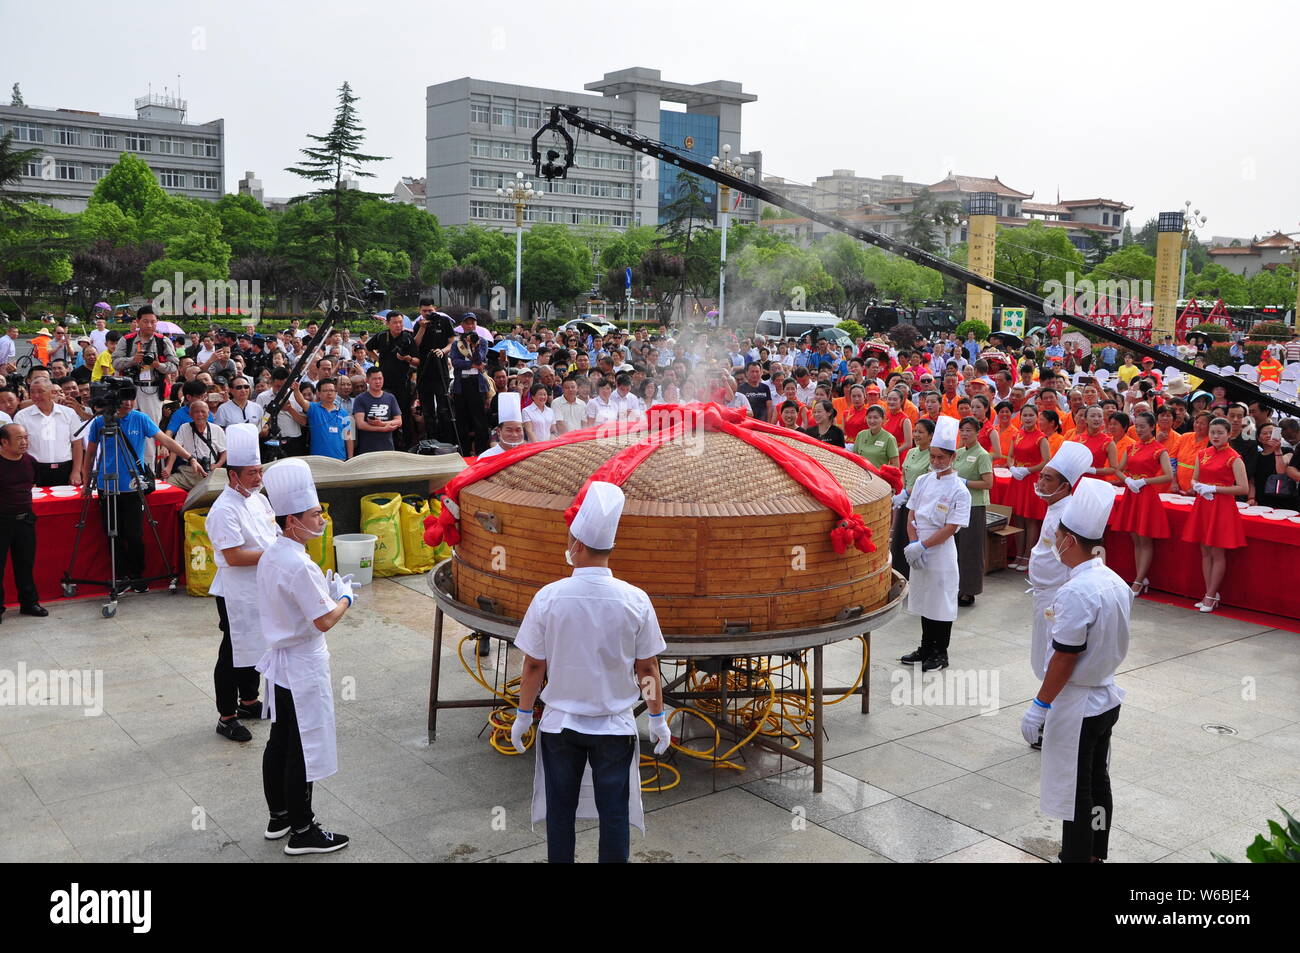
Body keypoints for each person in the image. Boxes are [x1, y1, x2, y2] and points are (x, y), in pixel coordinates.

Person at [510, 481, 669, 864]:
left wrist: (522, 714)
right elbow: (646, 667)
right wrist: (657, 717)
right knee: (614, 814)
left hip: (560, 726)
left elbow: (534, 665)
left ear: (576, 546)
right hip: (614, 727)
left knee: (559, 813)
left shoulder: (549, 596)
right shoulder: (635, 599)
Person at [1020, 477, 1129, 863]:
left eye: (1058, 538)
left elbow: (1065, 656)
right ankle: (1097, 853)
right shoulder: (1113, 581)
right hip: (1105, 697)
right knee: (1098, 780)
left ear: (1068, 540)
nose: (1055, 546)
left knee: (1076, 789)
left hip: (1080, 703)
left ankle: (1078, 857)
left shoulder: (1076, 591)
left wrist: (1040, 705)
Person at [256, 458, 355, 854]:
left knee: (280, 739)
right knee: (302, 743)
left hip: (282, 663)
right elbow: (324, 620)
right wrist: (345, 597)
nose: (322, 520)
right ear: (292, 520)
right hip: (301, 662)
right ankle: (303, 829)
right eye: (315, 514)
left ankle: (278, 815)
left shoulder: (272, 554)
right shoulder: (299, 564)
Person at [85, 393, 203, 592]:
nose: (128, 403)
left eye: (132, 398)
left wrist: (190, 458)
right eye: (124, 399)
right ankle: (120, 577)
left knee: (134, 534)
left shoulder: (140, 419)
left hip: (133, 487)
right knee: (113, 534)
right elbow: (90, 453)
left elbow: (165, 440)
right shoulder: (100, 422)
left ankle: (137, 576)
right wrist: (86, 482)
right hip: (107, 486)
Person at [205, 425, 276, 743]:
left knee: (257, 644)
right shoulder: (223, 509)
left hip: (261, 586)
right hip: (236, 591)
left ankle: (249, 701)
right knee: (233, 649)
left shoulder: (258, 500)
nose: (258, 478)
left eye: (260, 471)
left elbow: (273, 530)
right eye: (251, 473)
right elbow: (233, 556)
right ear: (233, 476)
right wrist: (276, 554)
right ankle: (226, 715)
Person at [1022, 441, 1092, 751]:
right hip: (1044, 593)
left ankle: (1050, 720)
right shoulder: (1055, 508)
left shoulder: (1068, 516)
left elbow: (1071, 560)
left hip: (1058, 596)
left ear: (1064, 486)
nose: (1039, 481)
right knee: (1045, 657)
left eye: (1047, 478)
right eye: (1041, 476)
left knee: (1055, 659)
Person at [900, 417, 969, 671]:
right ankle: (926, 646)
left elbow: (951, 527)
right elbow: (912, 513)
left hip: (940, 551)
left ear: (952, 458)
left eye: (941, 458)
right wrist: (913, 545)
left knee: (941, 601)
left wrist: (924, 545)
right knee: (924, 598)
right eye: (933, 457)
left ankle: (941, 651)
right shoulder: (923, 480)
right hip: (919, 548)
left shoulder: (960, 490)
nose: (936, 462)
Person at [1184, 417, 1249, 613]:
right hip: (1204, 504)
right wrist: (1197, 486)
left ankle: (1211, 594)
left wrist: (1214, 488)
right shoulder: (1202, 453)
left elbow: (1243, 488)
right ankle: (1208, 592)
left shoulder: (1233, 457)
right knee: (1205, 550)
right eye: (1213, 432)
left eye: (1220, 433)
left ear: (1229, 434)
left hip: (1222, 506)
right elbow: (1194, 478)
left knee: (1217, 552)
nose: (1215, 436)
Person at [1111, 411, 1173, 594]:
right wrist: (1128, 480)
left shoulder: (1159, 449)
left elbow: (1168, 476)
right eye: (1136, 426)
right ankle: (1139, 576)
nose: (1139, 430)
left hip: (1146, 494)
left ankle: (1139, 579)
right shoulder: (1132, 448)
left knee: (1144, 538)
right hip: (1132, 493)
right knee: (1135, 538)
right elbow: (1118, 469)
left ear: (1152, 427)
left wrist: (1145, 481)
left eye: (1142, 426)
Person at [0, 424, 47, 621]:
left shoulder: (30, 461)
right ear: (3, 442)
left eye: (26, 437)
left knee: (25, 564)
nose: (24, 442)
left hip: (25, 520)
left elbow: (32, 483)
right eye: (19, 438)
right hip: (1, 521)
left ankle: (29, 603)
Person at [111, 307, 177, 427]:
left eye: (153, 322)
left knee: (151, 428)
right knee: (127, 425)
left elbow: (174, 366)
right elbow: (115, 363)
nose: (149, 325)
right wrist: (133, 360)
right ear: (138, 321)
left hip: (153, 389)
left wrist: (158, 365)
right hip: (130, 389)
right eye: (145, 321)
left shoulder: (163, 341)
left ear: (157, 322)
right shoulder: (127, 340)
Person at [953, 416, 993, 607]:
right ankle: (957, 585)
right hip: (957, 505)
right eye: (963, 430)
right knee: (957, 547)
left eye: (969, 430)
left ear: (977, 432)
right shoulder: (958, 452)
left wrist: (966, 483)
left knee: (971, 549)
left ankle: (969, 590)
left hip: (974, 505)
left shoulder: (982, 455)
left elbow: (988, 483)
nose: (965, 434)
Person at [14, 378, 83, 487]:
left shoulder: (68, 413)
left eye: (40, 391)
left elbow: (77, 444)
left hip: (65, 469)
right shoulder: (22, 416)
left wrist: (76, 471)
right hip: (34, 470)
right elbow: (19, 448)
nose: (36, 396)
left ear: (51, 392)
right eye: (32, 392)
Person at [1006, 404, 1051, 569]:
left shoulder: (1041, 437)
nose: (1027, 418)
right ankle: (1018, 554)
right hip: (1017, 478)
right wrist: (1012, 467)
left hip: (1031, 478)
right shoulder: (1017, 434)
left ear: (1036, 417)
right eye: (1024, 415)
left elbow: (1046, 461)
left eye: (1031, 415)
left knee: (1030, 518)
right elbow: (1010, 456)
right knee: (1018, 517)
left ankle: (1028, 555)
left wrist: (1028, 470)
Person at [368, 312, 419, 448]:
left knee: (404, 414)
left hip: (403, 383)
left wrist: (407, 358)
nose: (398, 325)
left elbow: (417, 361)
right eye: (395, 322)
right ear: (388, 323)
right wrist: (379, 360)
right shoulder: (381, 336)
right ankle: (391, 444)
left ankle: (407, 445)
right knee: (387, 414)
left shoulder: (408, 337)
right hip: (385, 384)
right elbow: (368, 348)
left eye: (400, 322)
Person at [450, 316, 491, 456]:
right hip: (461, 384)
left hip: (477, 383)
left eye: (472, 323)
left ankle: (481, 452)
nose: (470, 326)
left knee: (479, 419)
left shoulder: (483, 342)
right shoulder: (457, 344)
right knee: (461, 420)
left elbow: (480, 361)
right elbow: (456, 363)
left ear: (476, 324)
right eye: (467, 323)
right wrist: (471, 364)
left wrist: (475, 346)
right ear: (462, 325)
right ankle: (464, 452)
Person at [165, 400, 224, 491]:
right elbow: (175, 449)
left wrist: (217, 465)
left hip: (209, 472)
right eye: (196, 412)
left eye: (203, 412)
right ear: (190, 414)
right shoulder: (184, 428)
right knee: (167, 485)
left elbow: (224, 451)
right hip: (187, 471)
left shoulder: (217, 429)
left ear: (208, 414)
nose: (200, 415)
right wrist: (169, 467)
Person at [352, 367, 403, 456]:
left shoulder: (390, 397)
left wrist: (381, 424)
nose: (378, 382)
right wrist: (382, 428)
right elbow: (360, 424)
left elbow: (399, 421)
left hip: (387, 447)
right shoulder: (360, 399)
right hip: (367, 449)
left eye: (380, 378)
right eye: (374, 379)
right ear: (367, 380)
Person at [480, 393, 525, 459]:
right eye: (509, 430)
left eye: (518, 430)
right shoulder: (486, 457)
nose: (515, 435)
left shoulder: (528, 456)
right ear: (498, 431)